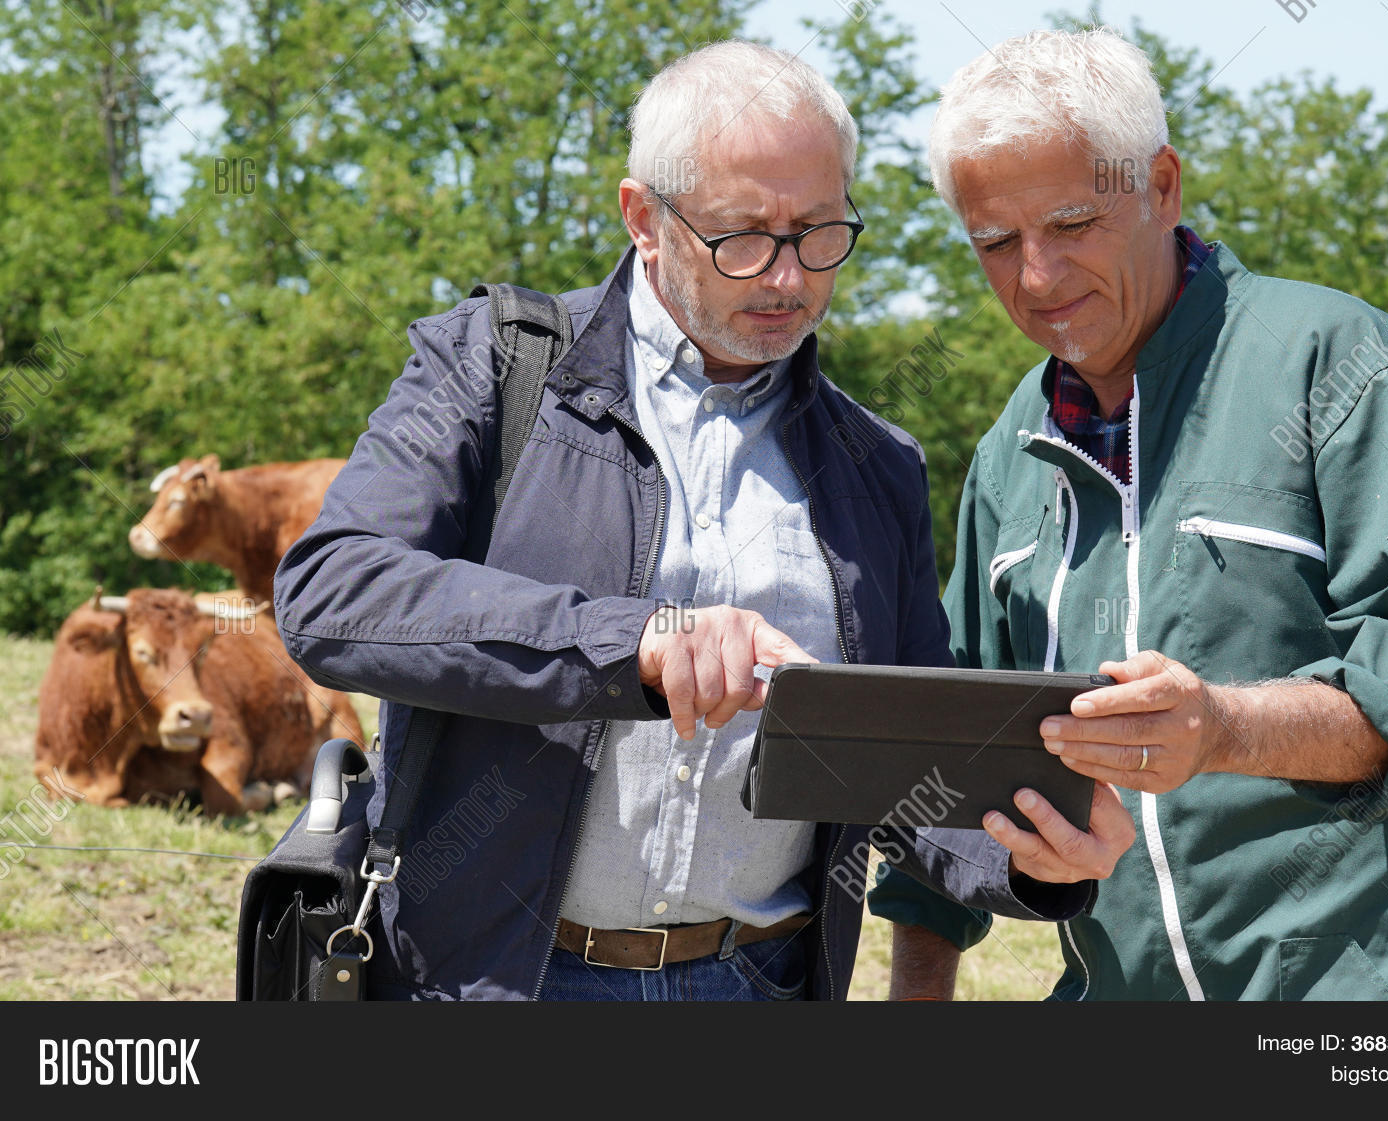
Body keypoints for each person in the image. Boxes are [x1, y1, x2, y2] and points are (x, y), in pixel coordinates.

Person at [273, 39, 1133, 1001]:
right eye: (744, 237)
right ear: (644, 217)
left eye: (819, 231)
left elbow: (901, 769)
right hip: (497, 981)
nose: (788, 278)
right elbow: (333, 591)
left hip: (762, 980)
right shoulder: (489, 367)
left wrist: (1028, 854)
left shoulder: (877, 464)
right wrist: (632, 639)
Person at [873, 26, 1388, 1000]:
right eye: (995, 241)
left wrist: (1223, 727)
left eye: (1072, 223)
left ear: (1161, 185)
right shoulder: (1008, 455)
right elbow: (946, 776)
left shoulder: (1338, 366)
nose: (1035, 278)